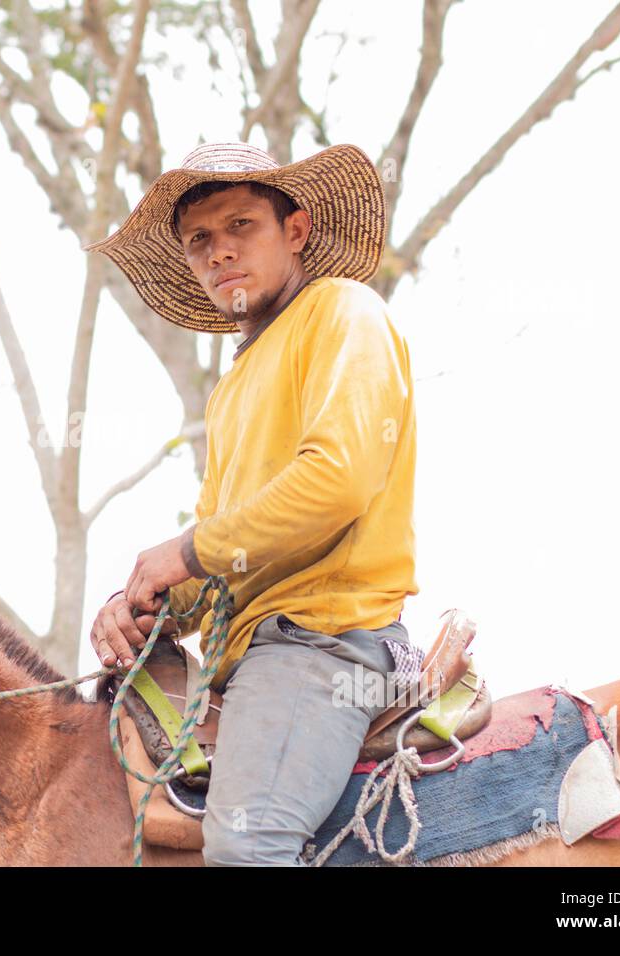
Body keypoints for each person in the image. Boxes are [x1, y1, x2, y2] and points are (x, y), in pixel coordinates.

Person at [82, 141, 423, 866]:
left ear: (295, 230)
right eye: (200, 239)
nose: (220, 252)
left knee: (244, 844)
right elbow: (226, 562)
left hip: (324, 640)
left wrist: (181, 552)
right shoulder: (233, 388)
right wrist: (151, 603)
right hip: (251, 653)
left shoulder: (342, 311)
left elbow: (337, 481)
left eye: (242, 225)